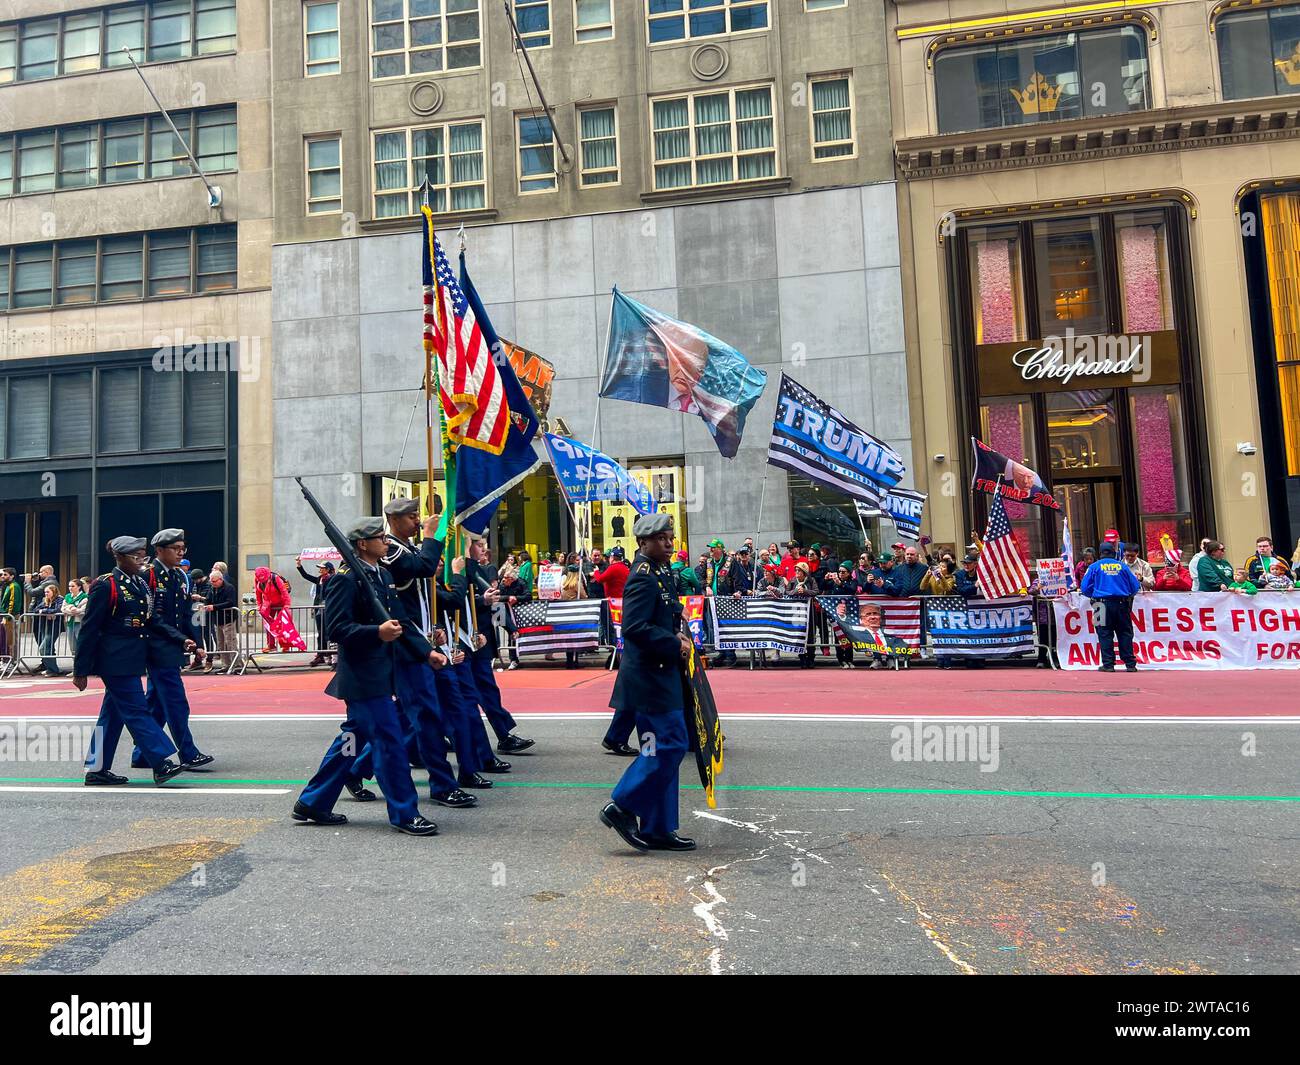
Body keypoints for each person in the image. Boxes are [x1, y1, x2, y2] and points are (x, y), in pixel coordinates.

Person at [292, 517, 440, 835]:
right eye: (380, 537)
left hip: (381, 673)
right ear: (362, 544)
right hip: (363, 678)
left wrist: (425, 652)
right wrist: (377, 632)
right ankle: (404, 812)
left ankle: (314, 801)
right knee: (389, 743)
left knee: (352, 739)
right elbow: (337, 629)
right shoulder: (345, 579)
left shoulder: (381, 574)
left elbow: (400, 621)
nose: (386, 541)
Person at [600, 512, 696, 853]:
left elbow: (663, 616)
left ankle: (657, 827)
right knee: (669, 745)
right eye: (661, 539)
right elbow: (634, 627)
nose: (669, 543)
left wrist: (678, 629)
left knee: (660, 748)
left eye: (670, 537)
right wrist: (675, 643)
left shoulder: (660, 571)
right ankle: (623, 805)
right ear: (643, 543)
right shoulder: (641, 577)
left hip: (661, 674)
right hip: (650, 678)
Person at [75, 536, 187, 787]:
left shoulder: (140, 584)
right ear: (121, 557)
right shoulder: (106, 585)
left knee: (112, 715)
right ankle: (161, 762)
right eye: (136, 557)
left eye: (143, 556)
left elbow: (152, 620)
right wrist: (80, 669)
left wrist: (181, 640)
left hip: (132, 659)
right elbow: (89, 628)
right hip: (114, 661)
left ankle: (96, 768)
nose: (141, 561)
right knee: (137, 710)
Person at [131, 529, 212, 771]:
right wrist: (181, 639)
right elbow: (152, 616)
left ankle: (142, 754)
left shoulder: (177, 576)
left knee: (157, 704)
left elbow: (185, 614)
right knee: (176, 702)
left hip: (173, 646)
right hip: (156, 647)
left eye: (182, 548)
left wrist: (196, 643)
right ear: (159, 551)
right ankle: (188, 752)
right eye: (175, 548)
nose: (180, 553)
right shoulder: (148, 576)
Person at [465, 533, 535, 756]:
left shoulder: (483, 571)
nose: (483, 549)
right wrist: (481, 600)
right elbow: (453, 601)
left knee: (486, 691)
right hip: (463, 639)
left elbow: (495, 603)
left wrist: (510, 627)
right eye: (478, 545)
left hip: (481, 639)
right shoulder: (457, 571)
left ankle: (503, 735)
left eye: (484, 545)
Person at [1080, 542, 1141, 672]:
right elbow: (1135, 587)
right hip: (1121, 604)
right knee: (1125, 633)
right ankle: (1130, 664)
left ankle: (1108, 664)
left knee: (1103, 634)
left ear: (1100, 553)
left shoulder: (1093, 567)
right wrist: (1127, 595)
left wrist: (1095, 594)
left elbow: (1084, 588)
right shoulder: (1123, 566)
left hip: (1099, 604)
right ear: (1114, 552)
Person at [254, 566, 307, 653]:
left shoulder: (276, 578)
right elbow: (258, 593)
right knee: (268, 624)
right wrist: (259, 605)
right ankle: (271, 645)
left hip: (281, 602)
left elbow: (284, 592)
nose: (263, 581)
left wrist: (286, 605)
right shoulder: (257, 579)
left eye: (265, 580)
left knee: (283, 625)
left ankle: (286, 646)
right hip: (268, 603)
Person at [296, 556, 336, 666]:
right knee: (321, 633)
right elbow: (306, 576)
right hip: (319, 609)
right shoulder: (320, 579)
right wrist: (299, 566)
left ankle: (332, 655)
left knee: (329, 632)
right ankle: (321, 655)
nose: (320, 570)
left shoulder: (334, 579)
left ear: (328, 569)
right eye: (320, 568)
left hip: (329, 609)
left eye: (322, 568)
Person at [497, 561, 530, 668]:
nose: (503, 579)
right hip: (503, 612)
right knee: (497, 609)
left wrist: (517, 598)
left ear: (511, 579)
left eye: (506, 577)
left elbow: (528, 596)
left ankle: (514, 659)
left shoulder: (521, 583)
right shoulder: (501, 585)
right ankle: (513, 630)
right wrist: (508, 598)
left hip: (517, 612)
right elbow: (497, 597)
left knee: (512, 634)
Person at [206, 570, 239, 671]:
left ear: (220, 579)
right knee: (221, 643)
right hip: (217, 619)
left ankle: (236, 664)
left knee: (231, 642)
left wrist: (214, 607)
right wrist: (204, 603)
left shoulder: (229, 588)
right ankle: (225, 665)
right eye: (211, 581)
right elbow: (208, 599)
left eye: (214, 581)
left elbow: (230, 602)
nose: (212, 583)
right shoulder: (212, 588)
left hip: (228, 619)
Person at [34, 584, 66, 675]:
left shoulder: (60, 599)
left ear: (54, 591)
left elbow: (59, 610)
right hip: (45, 626)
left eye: (48, 592)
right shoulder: (45, 600)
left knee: (43, 647)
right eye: (45, 592)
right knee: (49, 648)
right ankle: (51, 669)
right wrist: (46, 611)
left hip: (55, 627)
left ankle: (54, 669)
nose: (46, 594)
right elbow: (36, 609)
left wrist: (44, 611)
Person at [0, 567, 22, 663]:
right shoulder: (7, 585)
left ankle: (13, 661)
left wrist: (7, 616)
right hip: (6, 615)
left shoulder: (14, 586)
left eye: (5, 575)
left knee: (11, 640)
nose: (3, 576)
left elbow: (13, 603)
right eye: (2, 574)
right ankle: (9, 660)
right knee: (7, 639)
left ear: (12, 576)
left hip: (10, 616)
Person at [61, 578, 87, 654]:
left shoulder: (84, 596)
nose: (70, 588)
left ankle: (83, 662)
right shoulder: (67, 596)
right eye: (69, 586)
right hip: (69, 623)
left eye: (73, 586)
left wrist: (75, 610)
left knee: (81, 643)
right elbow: (63, 608)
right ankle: (75, 662)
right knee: (72, 645)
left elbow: (83, 609)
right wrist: (71, 610)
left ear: (79, 587)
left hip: (80, 623)